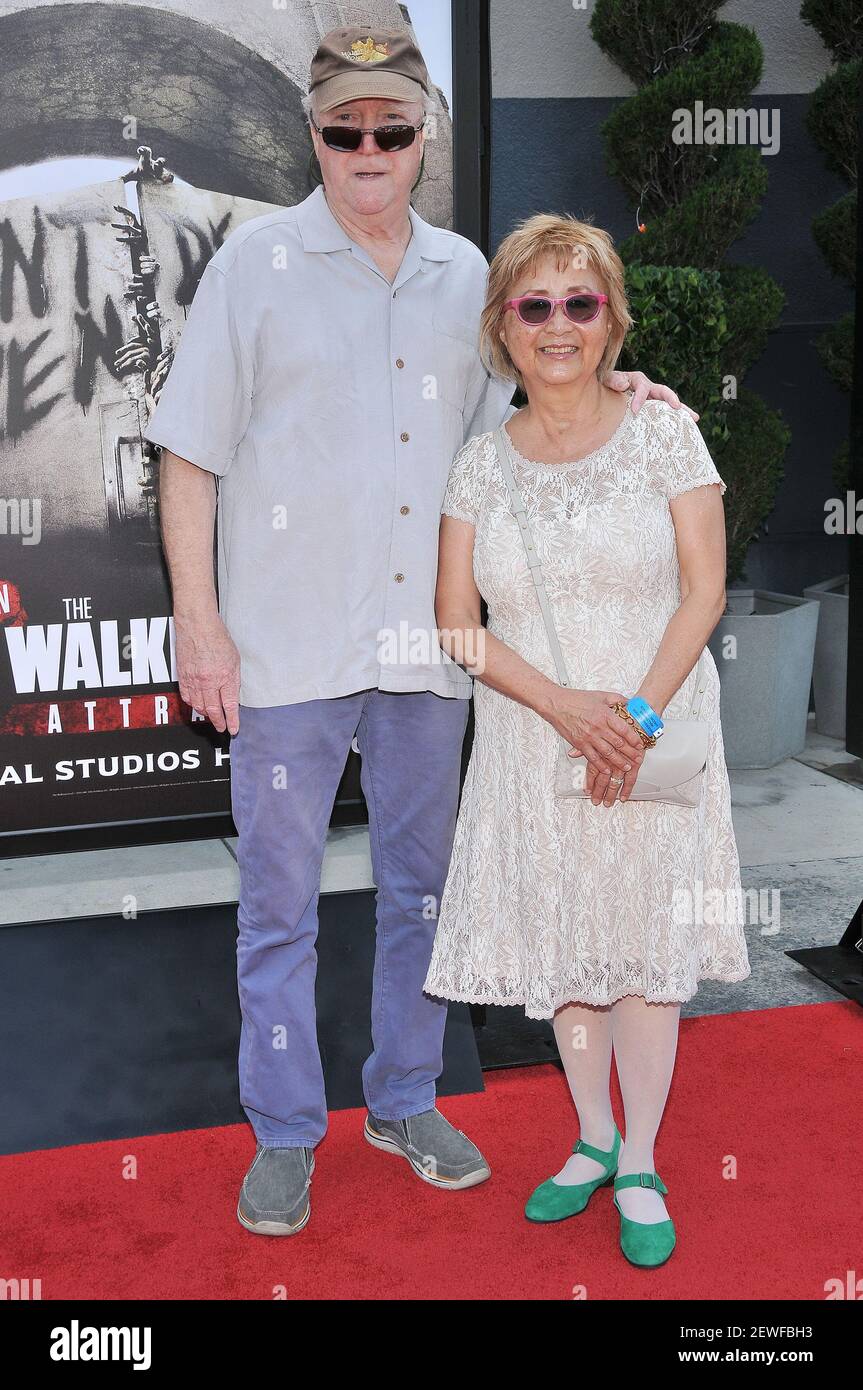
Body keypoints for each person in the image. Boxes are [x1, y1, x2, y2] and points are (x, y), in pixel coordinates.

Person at [142, 24, 690, 1237]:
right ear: (315, 136)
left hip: (431, 651)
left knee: (420, 895)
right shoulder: (253, 264)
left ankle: (399, 1097)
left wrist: (622, 390)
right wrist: (200, 620)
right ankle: (285, 1129)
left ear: (423, 133)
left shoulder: (468, 281)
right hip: (282, 647)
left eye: (392, 126)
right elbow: (187, 452)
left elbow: (543, 399)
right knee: (276, 906)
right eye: (345, 129)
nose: (369, 148)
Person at [424, 212, 751, 1267]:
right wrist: (568, 709)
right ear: (502, 326)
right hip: (533, 738)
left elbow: (703, 588)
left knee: (645, 956)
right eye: (534, 304)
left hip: (651, 731)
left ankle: (642, 1155)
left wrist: (634, 720)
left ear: (608, 320)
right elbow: (456, 625)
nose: (557, 324)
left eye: (580, 301)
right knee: (569, 950)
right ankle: (592, 1137)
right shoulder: (478, 463)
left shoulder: (663, 430)